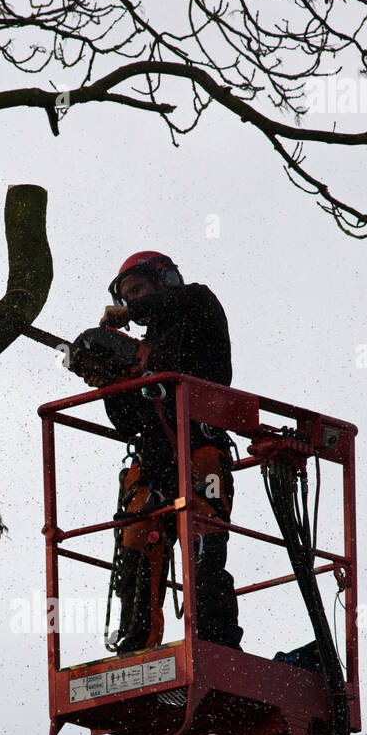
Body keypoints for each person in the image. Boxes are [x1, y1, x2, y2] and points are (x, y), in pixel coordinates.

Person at [79, 250, 243, 655]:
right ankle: (136, 644)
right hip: (153, 460)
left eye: (138, 290)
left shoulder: (198, 305)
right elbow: (127, 421)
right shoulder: (143, 350)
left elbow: (180, 302)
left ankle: (215, 643)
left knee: (203, 544)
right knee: (135, 544)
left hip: (200, 448)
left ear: (163, 282)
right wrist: (108, 383)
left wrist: (130, 316)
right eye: (127, 294)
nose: (132, 300)